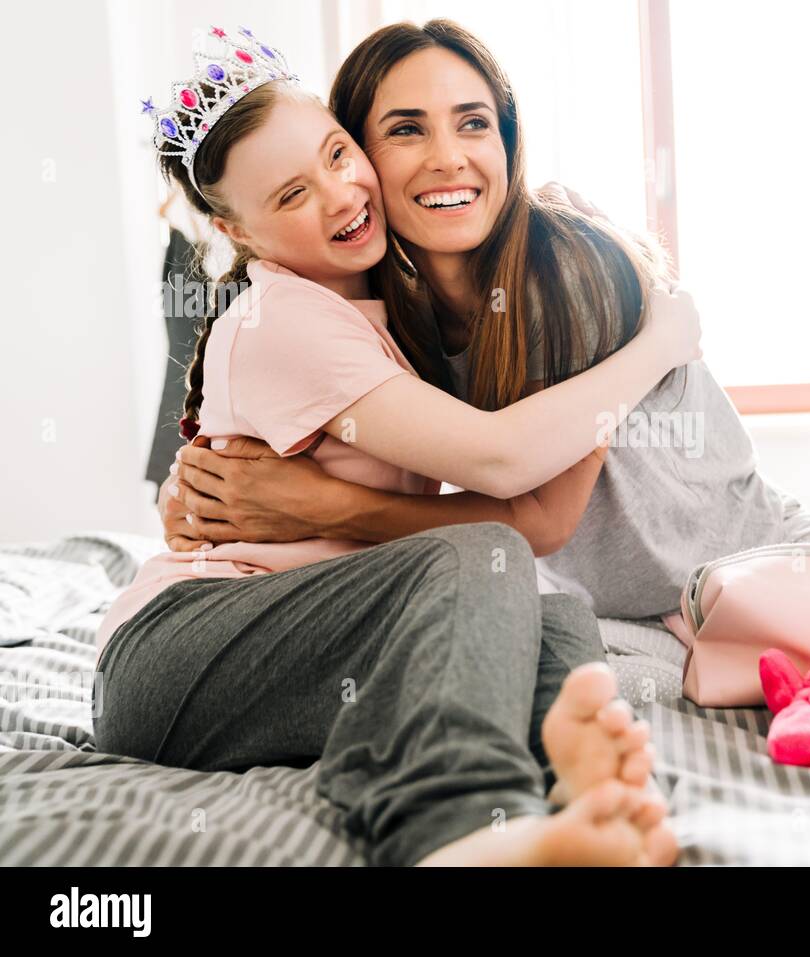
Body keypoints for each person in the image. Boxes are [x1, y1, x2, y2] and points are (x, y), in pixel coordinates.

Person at [166, 19, 810, 722]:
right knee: (588, 691)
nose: (446, 157)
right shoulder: (374, 299)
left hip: (752, 553)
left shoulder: (569, 261)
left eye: (473, 123)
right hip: (618, 611)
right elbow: (269, 370)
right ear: (361, 155)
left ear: (507, 137)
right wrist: (200, 484)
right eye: (403, 130)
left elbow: (537, 509)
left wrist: (320, 508)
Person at [96, 24, 704, 867]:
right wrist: (659, 346)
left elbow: (527, 515)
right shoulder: (289, 319)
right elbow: (500, 466)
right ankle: (452, 826)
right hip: (175, 648)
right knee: (478, 554)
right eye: (291, 196)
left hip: (294, 639)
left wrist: (325, 506)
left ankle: (580, 801)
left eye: (339, 156)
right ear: (242, 237)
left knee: (548, 610)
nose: (342, 194)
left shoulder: (386, 304)